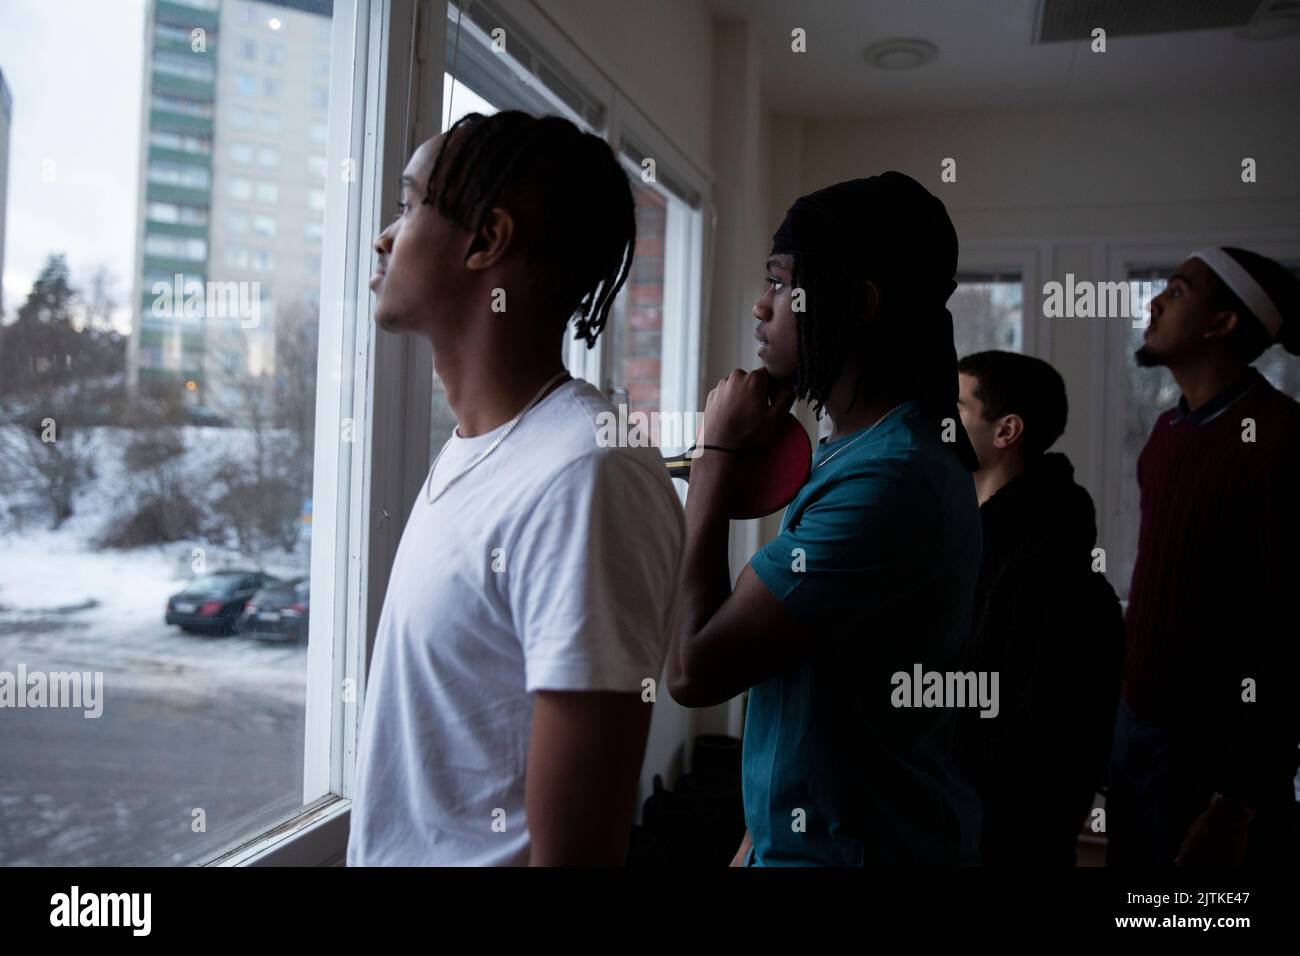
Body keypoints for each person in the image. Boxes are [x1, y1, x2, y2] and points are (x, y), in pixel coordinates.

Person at [347, 111, 684, 866]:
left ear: (487, 241)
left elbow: (576, 856)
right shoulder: (483, 452)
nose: (384, 237)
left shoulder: (586, 474)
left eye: (407, 207)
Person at [667, 172, 984, 866]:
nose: (761, 305)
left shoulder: (892, 477)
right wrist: (757, 838)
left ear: (861, 303)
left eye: (783, 284)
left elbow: (693, 670)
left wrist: (713, 457)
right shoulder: (861, 451)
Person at [1111, 246, 1300, 866]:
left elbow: (1287, 631)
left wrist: (1236, 801)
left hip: (1213, 753)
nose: (1155, 301)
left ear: (1221, 324)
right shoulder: (1166, 436)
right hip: (1137, 728)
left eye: (1178, 290)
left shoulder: (1278, 441)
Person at [954, 350, 1123, 865]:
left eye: (956, 406)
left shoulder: (1052, 569)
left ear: (1006, 431)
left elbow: (1044, 751)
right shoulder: (960, 537)